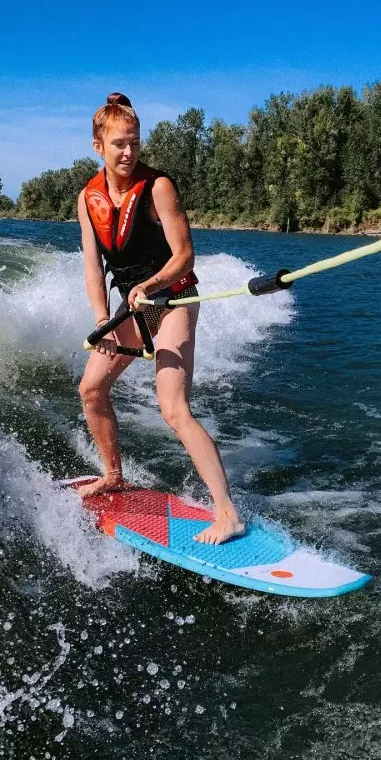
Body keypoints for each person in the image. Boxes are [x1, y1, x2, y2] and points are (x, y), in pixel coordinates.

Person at [77, 93, 244, 545]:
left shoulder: (158, 187)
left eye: (134, 142)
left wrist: (150, 287)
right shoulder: (87, 198)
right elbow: (94, 267)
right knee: (91, 387)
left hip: (173, 299)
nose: (128, 152)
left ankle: (227, 512)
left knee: (172, 407)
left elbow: (184, 254)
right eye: (118, 145)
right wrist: (102, 321)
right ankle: (113, 475)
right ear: (99, 147)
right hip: (133, 307)